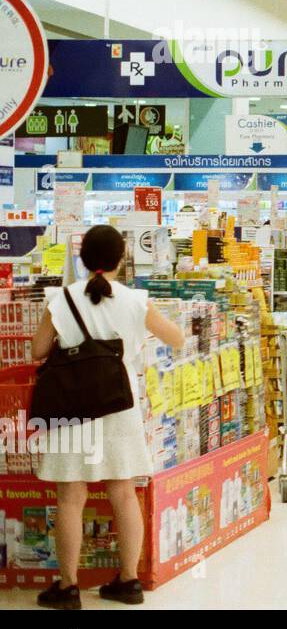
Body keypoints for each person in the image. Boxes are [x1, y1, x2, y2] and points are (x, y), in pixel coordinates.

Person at [34, 225, 186, 609]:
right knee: (123, 491)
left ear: (82, 259)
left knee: (70, 495)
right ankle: (129, 581)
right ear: (122, 259)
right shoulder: (136, 300)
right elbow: (177, 338)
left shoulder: (61, 298)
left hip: (71, 408)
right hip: (121, 404)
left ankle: (68, 588)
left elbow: (38, 350)